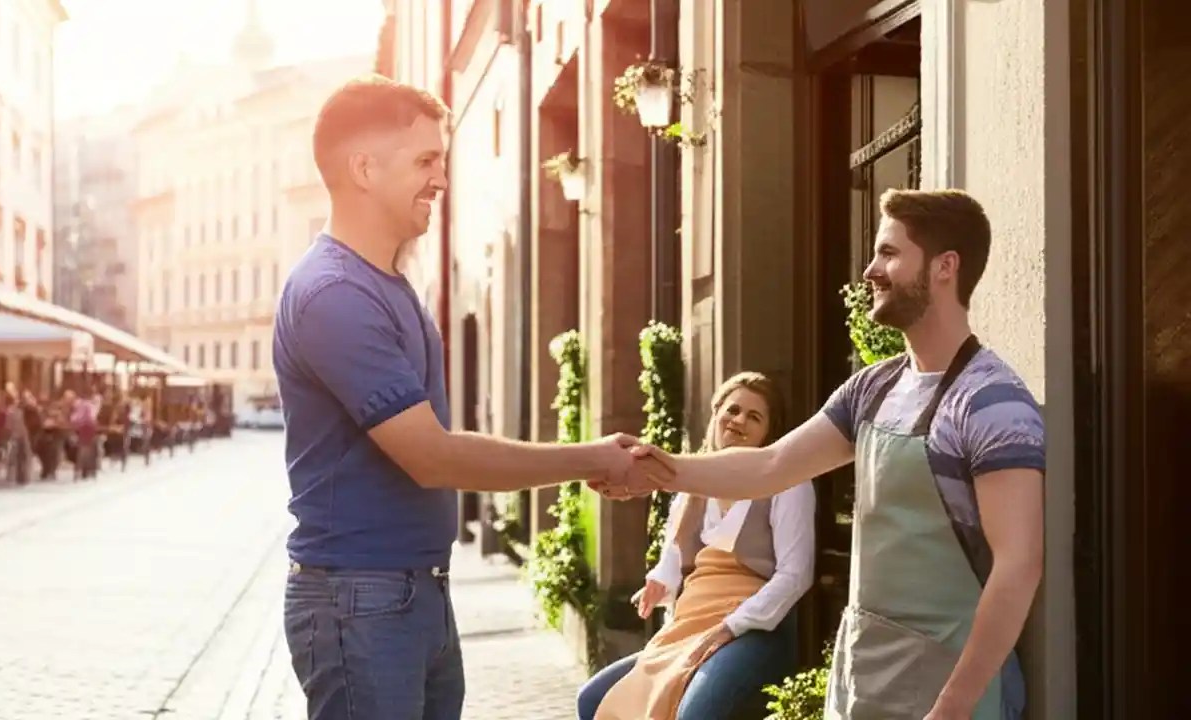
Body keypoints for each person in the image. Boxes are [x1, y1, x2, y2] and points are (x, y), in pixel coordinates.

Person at [271, 75, 635, 720]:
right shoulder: (334, 294)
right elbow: (432, 457)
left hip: (411, 592)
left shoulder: (388, 283)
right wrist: (590, 459)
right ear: (363, 168)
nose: (441, 179)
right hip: (362, 599)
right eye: (425, 160)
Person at [603, 189, 1045, 720]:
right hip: (863, 679)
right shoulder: (871, 390)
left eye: (889, 253)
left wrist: (953, 705)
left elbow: (1019, 567)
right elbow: (770, 466)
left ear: (946, 266)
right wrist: (660, 468)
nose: (870, 270)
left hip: (954, 688)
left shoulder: (992, 402)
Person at [578, 372, 815, 720]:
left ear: (769, 432)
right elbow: (673, 558)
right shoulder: (691, 485)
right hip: (690, 625)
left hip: (754, 629)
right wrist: (660, 582)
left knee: (694, 715)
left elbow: (796, 575)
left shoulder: (788, 483)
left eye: (754, 417)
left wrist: (730, 625)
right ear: (716, 414)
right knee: (593, 699)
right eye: (732, 410)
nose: (739, 421)